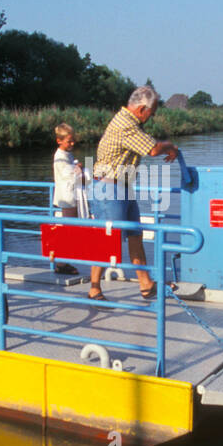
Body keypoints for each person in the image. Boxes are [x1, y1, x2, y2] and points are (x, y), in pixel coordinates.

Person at [87, 85, 178, 301]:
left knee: (135, 235)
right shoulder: (126, 124)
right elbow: (153, 149)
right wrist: (170, 145)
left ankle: (146, 284)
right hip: (109, 189)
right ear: (141, 109)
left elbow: (149, 145)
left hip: (122, 186)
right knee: (107, 240)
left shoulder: (131, 122)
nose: (153, 115)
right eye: (152, 111)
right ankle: (94, 288)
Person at [51, 123, 83, 275]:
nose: (72, 143)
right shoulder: (59, 157)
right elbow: (71, 174)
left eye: (73, 140)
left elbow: (76, 173)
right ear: (59, 140)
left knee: (71, 229)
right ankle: (61, 263)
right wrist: (80, 168)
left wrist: (78, 168)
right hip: (67, 197)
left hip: (71, 195)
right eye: (69, 141)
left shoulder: (67, 155)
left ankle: (63, 261)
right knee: (68, 229)